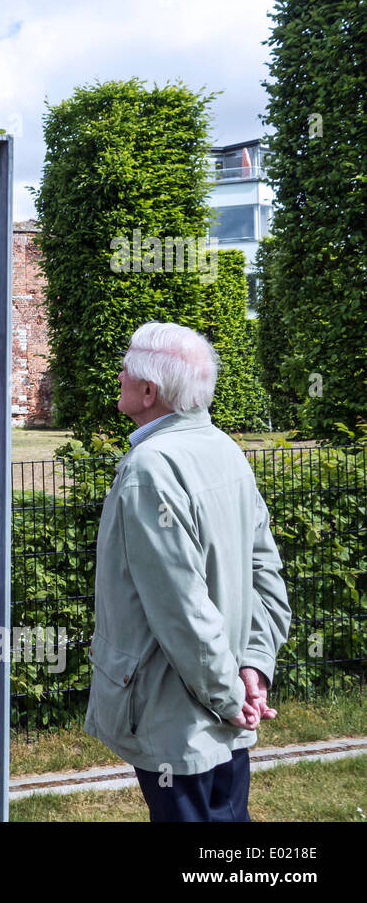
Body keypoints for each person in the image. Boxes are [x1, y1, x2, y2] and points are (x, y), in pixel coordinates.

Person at [83, 321, 291, 821]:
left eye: (127, 368)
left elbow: (181, 609)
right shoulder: (225, 450)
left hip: (180, 713)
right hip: (223, 700)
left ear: (150, 391)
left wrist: (228, 697)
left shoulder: (151, 468)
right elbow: (268, 576)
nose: (118, 375)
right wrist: (254, 668)